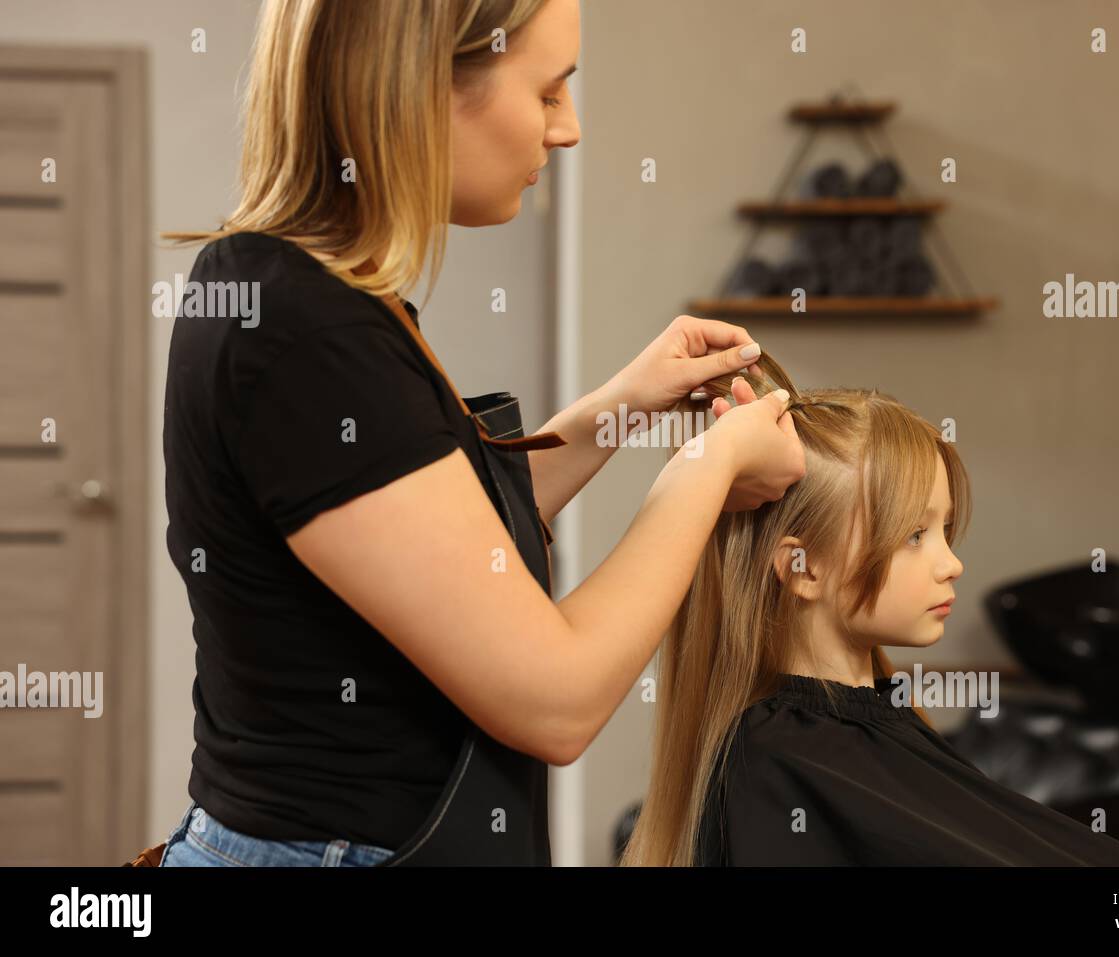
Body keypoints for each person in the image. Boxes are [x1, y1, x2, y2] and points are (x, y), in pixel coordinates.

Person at [153, 0, 805, 867]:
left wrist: (629, 402)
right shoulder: (300, 328)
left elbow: (452, 553)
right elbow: (555, 701)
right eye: (547, 93)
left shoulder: (307, 294)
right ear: (420, 86)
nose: (567, 130)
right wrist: (709, 466)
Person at [620, 353, 1119, 866]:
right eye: (914, 534)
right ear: (804, 568)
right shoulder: (776, 763)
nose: (951, 564)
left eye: (944, 530)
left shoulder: (862, 724)